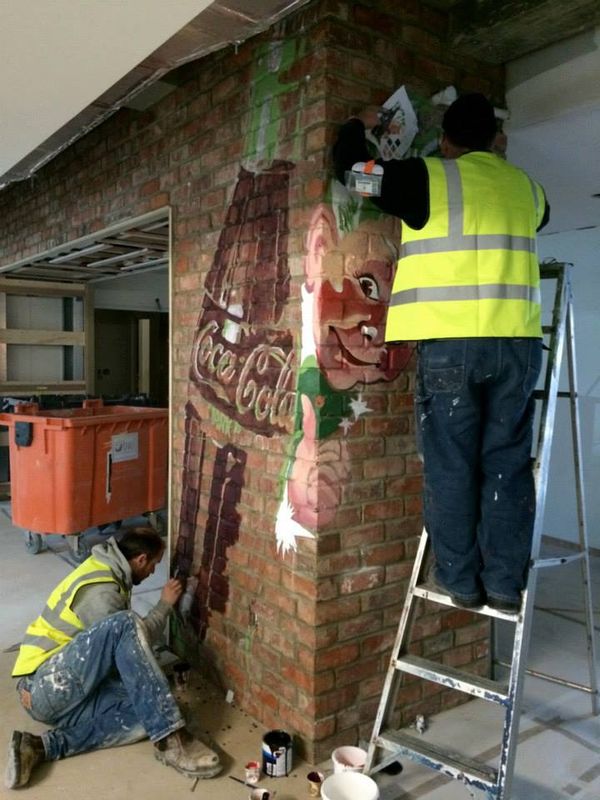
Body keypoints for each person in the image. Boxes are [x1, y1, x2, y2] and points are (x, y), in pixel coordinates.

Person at [333, 92, 550, 613]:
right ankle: (504, 583)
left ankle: (460, 581)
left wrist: (357, 126)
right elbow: (542, 218)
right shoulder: (526, 188)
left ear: (447, 141)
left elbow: (355, 175)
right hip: (517, 345)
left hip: (451, 345)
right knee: (508, 464)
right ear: (495, 140)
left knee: (452, 464)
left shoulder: (427, 177)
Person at [5, 526, 222, 789]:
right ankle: (171, 739)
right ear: (140, 559)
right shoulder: (102, 591)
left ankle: (41, 747)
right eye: (153, 564)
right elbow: (130, 641)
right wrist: (164, 605)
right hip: (44, 684)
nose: (153, 571)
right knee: (126, 624)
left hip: (68, 691)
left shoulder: (109, 569)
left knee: (148, 711)